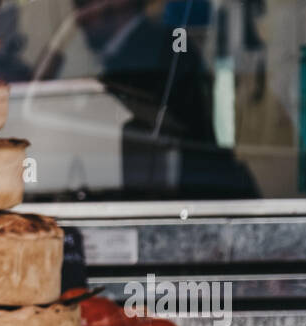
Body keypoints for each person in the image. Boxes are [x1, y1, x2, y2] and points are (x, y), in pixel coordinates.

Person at [73, 0, 257, 197]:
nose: (78, 18)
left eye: (84, 4)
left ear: (119, 4)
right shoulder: (130, 53)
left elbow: (170, 132)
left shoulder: (154, 53)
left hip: (180, 196)